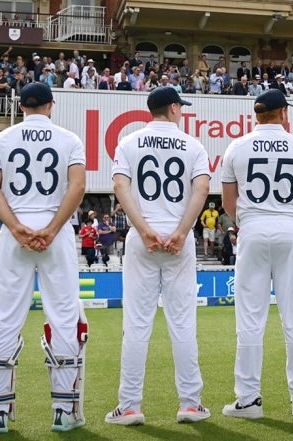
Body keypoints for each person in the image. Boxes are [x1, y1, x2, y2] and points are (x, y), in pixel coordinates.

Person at [0, 82, 87, 433]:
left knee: (4, 316)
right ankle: (64, 410)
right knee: (64, 315)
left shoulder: (3, 138)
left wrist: (14, 227)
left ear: (22, 106)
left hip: (16, 229)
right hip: (56, 230)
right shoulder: (69, 139)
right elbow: (77, 186)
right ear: (50, 105)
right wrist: (53, 228)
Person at [106, 87, 211, 425]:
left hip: (143, 238)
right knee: (183, 323)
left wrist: (143, 229)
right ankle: (191, 404)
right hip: (180, 239)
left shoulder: (128, 142)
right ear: (174, 108)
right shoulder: (193, 145)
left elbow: (120, 187)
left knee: (136, 324)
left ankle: (129, 405)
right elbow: (202, 189)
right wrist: (182, 231)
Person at [220, 89, 293, 418]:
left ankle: (248, 400)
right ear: (283, 113)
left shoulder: (237, 146)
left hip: (252, 228)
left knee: (250, 318)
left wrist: (249, 221)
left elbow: (228, 202)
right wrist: (289, 219)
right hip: (289, 228)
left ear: (256, 115)